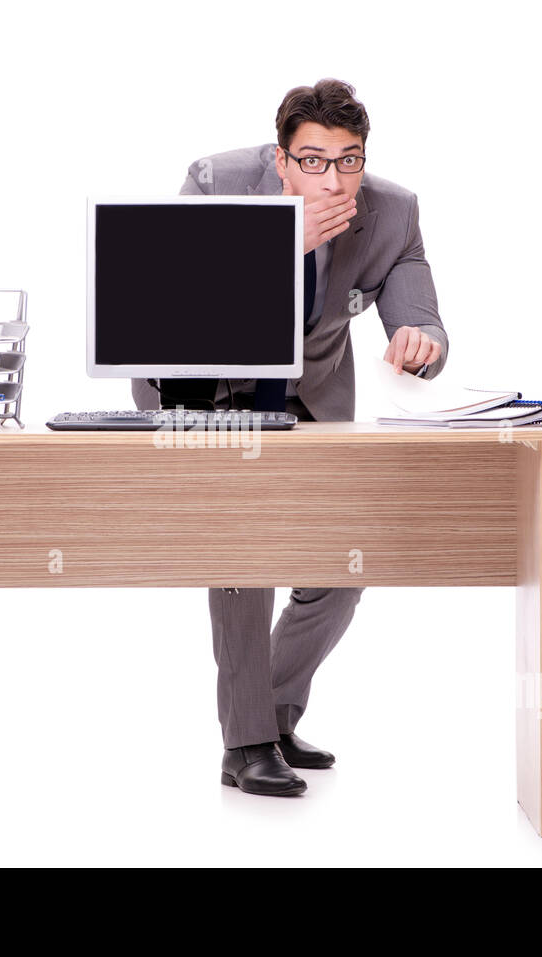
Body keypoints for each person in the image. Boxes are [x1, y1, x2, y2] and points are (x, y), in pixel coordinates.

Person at [130, 78, 449, 796]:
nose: (333, 178)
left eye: (349, 159)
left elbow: (419, 309)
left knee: (342, 566)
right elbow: (167, 309)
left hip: (306, 399)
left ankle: (269, 709)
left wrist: (419, 339)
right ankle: (245, 745)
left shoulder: (392, 214)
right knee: (247, 550)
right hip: (204, 391)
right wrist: (271, 245)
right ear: (280, 160)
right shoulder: (216, 184)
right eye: (313, 159)